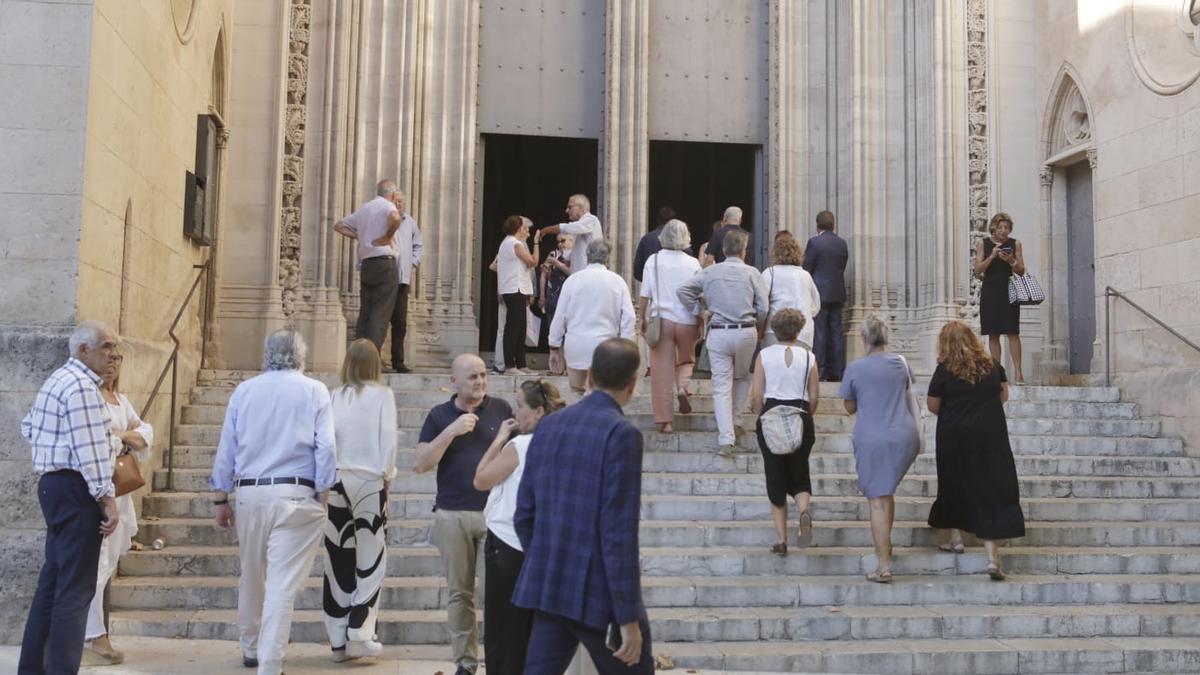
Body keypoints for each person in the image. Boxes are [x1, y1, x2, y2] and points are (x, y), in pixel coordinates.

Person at [513, 338, 653, 673]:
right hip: (598, 594)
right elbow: (618, 533)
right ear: (633, 385)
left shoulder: (548, 424)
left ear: (588, 376)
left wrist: (546, 558)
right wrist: (628, 616)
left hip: (550, 582)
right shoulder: (622, 434)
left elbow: (524, 514)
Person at [210, 329, 336, 674]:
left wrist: (220, 496)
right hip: (296, 493)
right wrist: (323, 491)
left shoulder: (245, 391)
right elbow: (325, 446)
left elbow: (228, 447)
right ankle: (270, 660)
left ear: (267, 354)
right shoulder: (315, 391)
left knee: (252, 574)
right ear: (301, 355)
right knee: (282, 581)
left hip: (251, 492)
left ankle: (251, 646)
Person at [19, 320, 121, 675]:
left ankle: (33, 668)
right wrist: (107, 499)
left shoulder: (59, 379)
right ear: (83, 350)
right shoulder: (81, 387)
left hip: (55, 486)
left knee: (53, 583)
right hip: (76, 490)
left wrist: (53, 449)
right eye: (107, 346)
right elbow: (89, 452)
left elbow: (29, 426)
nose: (114, 354)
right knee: (75, 592)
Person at [413, 354, 513, 675]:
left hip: (493, 516)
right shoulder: (439, 415)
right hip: (451, 515)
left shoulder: (501, 410)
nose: (480, 381)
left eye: (483, 375)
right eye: (472, 376)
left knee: (497, 595)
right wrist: (451, 431)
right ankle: (465, 664)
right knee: (460, 594)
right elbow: (420, 464)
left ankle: (500, 662)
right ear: (453, 380)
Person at [473, 379, 566, 674]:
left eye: (521, 405)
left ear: (538, 412)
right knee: (528, 630)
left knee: (503, 632)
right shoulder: (560, 444)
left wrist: (500, 437)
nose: (516, 411)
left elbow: (481, 479)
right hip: (539, 546)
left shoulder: (521, 445)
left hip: (507, 544)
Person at [926, 320, 1026, 581]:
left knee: (954, 483)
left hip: (955, 435)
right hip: (990, 435)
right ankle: (993, 559)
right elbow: (1003, 397)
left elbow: (933, 406)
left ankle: (956, 538)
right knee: (990, 490)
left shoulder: (945, 370)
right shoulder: (993, 366)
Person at [322, 339, 398, 662]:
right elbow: (389, 440)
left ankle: (337, 641)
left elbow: (326, 441)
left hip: (337, 478)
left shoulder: (335, 396)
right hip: (369, 479)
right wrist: (388, 477)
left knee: (337, 558)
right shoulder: (383, 395)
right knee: (371, 556)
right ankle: (361, 631)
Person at [838, 316, 921, 583]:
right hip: (904, 436)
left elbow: (849, 406)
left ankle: (883, 564)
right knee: (886, 494)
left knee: (877, 500)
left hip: (873, 437)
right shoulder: (900, 363)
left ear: (864, 339)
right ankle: (886, 546)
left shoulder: (856, 368)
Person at [83, 352, 153, 666]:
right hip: (97, 490)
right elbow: (96, 440)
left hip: (119, 489)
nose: (114, 363)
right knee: (96, 564)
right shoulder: (88, 398)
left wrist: (122, 436)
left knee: (108, 561)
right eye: (108, 355)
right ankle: (95, 636)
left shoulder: (120, 400)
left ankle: (92, 632)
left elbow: (145, 434)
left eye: (119, 357)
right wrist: (126, 438)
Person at [677, 229, 769, 457]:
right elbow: (764, 307)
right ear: (744, 251)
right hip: (746, 331)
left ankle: (726, 438)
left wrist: (701, 311)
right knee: (742, 377)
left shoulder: (710, 272)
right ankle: (736, 422)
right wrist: (756, 321)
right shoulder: (752, 273)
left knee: (721, 386)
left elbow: (683, 291)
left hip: (718, 332)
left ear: (724, 250)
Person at [748, 309, 820, 556]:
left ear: (774, 330)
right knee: (800, 473)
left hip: (772, 412)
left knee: (775, 475)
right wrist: (806, 416)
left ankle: (782, 539)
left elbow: (757, 394)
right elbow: (815, 394)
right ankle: (803, 512)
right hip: (800, 412)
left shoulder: (764, 355)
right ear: (798, 330)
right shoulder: (809, 357)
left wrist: (760, 415)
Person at [637, 219, 701, 433]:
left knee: (660, 372)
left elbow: (645, 294)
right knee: (686, 360)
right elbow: (699, 295)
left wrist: (641, 318)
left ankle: (665, 421)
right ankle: (682, 387)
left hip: (661, 320)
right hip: (686, 320)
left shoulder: (653, 261)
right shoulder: (693, 263)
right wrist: (700, 321)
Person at [548, 240, 636, 392]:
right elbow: (629, 317)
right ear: (607, 258)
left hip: (577, 346)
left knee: (578, 390)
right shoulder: (617, 281)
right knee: (602, 392)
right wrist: (627, 345)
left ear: (587, 256)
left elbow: (560, 316)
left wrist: (553, 347)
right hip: (606, 347)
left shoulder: (573, 280)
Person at [333, 179, 403, 350]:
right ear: (393, 195)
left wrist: (360, 237)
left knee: (365, 312)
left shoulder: (365, 208)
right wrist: (388, 236)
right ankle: (371, 358)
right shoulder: (388, 206)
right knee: (381, 313)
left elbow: (339, 225)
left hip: (367, 265)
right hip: (384, 264)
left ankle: (358, 356)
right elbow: (395, 218)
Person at [975, 212, 1027, 384]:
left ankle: (1019, 373)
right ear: (993, 228)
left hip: (1009, 290)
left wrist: (1011, 260)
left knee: (1013, 331)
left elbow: (1021, 271)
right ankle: (997, 374)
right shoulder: (983, 243)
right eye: (1000, 227)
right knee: (993, 333)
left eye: (1007, 227)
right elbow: (977, 271)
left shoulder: (1015, 244)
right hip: (990, 291)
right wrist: (992, 256)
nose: (1004, 231)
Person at [804, 210, 849, 382]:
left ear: (817, 226)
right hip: (837, 292)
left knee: (821, 331)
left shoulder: (815, 243)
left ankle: (821, 370)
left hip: (820, 293)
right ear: (833, 225)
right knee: (836, 332)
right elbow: (842, 266)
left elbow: (807, 267)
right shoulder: (842, 243)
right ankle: (838, 371)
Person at [762, 231, 821, 349]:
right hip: (802, 332)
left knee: (772, 365)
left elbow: (761, 305)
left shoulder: (769, 273)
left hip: (775, 332)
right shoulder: (805, 275)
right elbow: (816, 306)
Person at [496, 215, 538, 374]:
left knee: (520, 327)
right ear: (519, 228)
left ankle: (521, 364)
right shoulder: (514, 243)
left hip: (516, 289)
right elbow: (533, 261)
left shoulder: (508, 243)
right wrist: (536, 243)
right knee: (513, 327)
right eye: (525, 228)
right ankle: (510, 365)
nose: (527, 231)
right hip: (514, 289)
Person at [387, 190, 423, 373]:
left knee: (400, 321)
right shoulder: (383, 218)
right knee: (380, 319)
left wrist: (413, 262)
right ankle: (373, 360)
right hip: (385, 276)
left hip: (402, 278)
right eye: (397, 201)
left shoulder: (410, 222)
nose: (400, 204)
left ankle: (398, 361)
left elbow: (418, 244)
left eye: (402, 201)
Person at [538, 194, 603, 274]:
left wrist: (545, 230)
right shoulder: (578, 231)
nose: (566, 211)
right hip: (578, 277)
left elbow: (566, 228)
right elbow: (568, 260)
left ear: (580, 207)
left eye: (569, 207)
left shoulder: (591, 220)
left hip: (589, 276)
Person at [539, 234, 573, 361]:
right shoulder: (553, 254)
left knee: (568, 331)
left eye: (563, 241)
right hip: (553, 297)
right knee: (553, 330)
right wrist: (542, 295)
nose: (560, 244)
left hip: (569, 297)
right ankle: (556, 364)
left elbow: (573, 273)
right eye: (558, 241)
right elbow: (544, 275)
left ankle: (567, 365)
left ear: (571, 240)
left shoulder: (576, 254)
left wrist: (557, 264)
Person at [633, 206, 677, 282]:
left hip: (651, 289)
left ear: (658, 220)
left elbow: (637, 271)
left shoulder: (646, 239)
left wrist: (649, 282)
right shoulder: (680, 240)